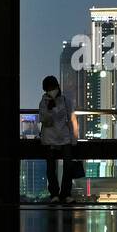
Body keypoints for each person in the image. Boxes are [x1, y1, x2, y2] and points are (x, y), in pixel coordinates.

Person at [37, 74, 77, 204]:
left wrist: (74, 137)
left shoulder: (66, 101)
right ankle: (54, 193)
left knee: (68, 166)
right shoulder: (43, 102)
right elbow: (44, 121)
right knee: (50, 167)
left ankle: (66, 193)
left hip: (65, 137)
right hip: (49, 138)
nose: (51, 91)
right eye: (49, 89)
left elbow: (72, 119)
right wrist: (49, 110)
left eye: (52, 88)